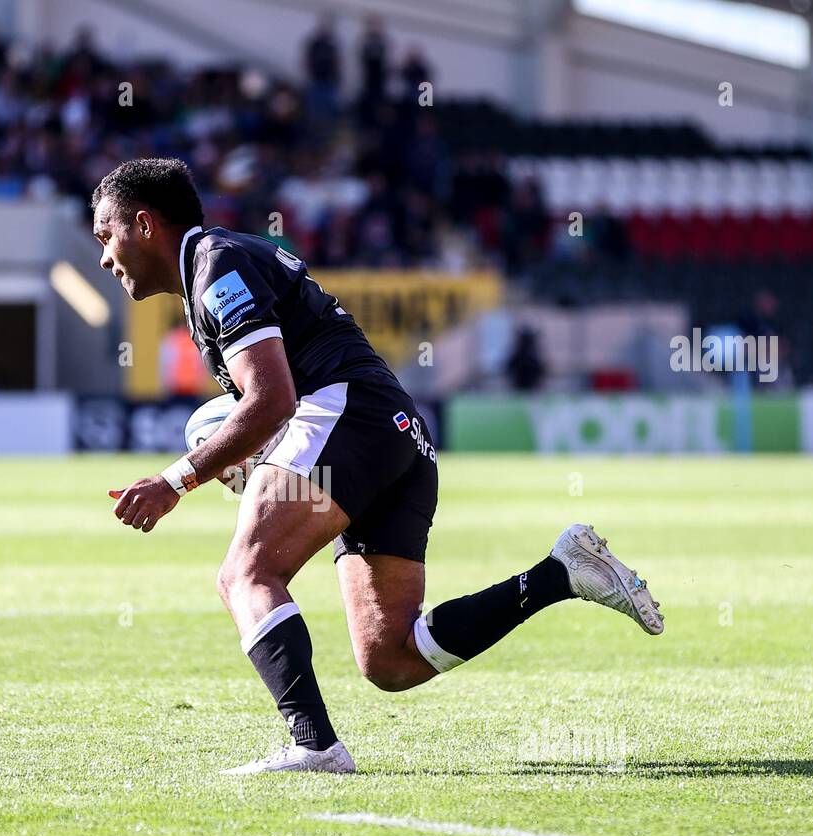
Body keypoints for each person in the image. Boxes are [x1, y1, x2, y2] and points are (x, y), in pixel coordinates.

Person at [91, 158, 664, 774]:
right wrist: (258, 452)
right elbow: (275, 400)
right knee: (389, 658)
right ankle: (559, 574)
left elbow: (272, 399)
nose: (104, 257)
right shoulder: (223, 261)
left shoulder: (215, 266)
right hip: (396, 434)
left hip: (350, 418)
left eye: (106, 235)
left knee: (245, 575)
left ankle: (314, 745)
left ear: (144, 225)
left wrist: (177, 478)